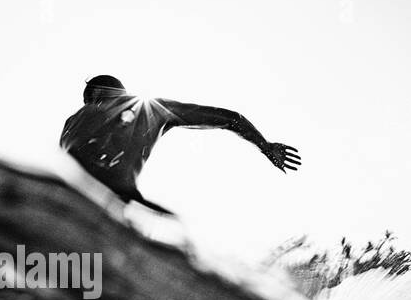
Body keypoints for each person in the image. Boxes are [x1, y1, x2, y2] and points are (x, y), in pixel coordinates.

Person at [59, 75, 301, 214]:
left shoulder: (73, 121)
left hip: (70, 196)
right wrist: (264, 145)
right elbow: (231, 119)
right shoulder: (155, 110)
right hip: (116, 199)